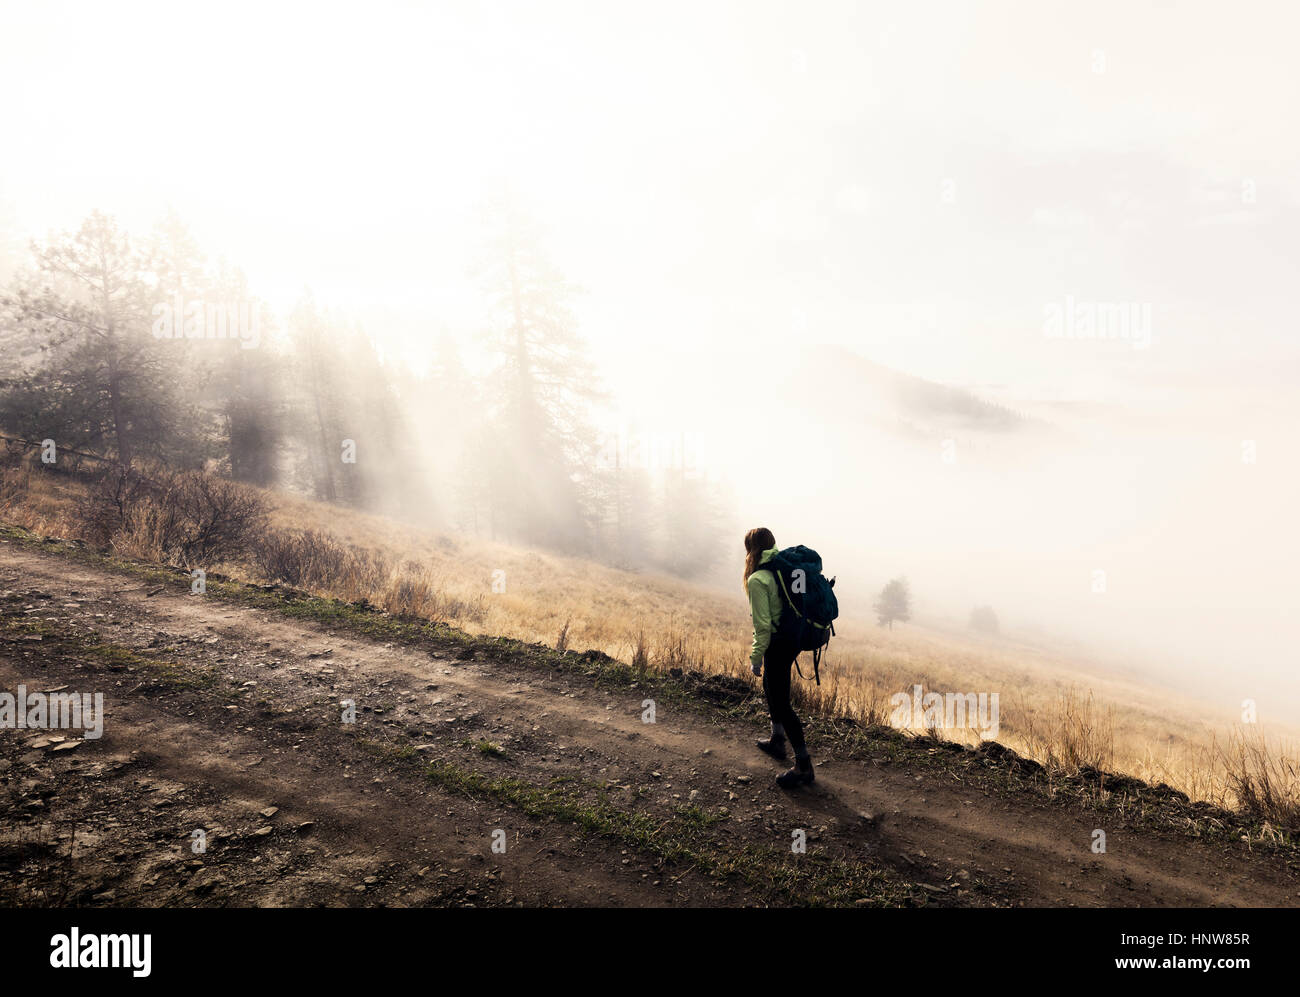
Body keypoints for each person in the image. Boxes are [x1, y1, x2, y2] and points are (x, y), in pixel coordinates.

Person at [744, 527, 814, 787]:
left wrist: (756, 657)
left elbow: (762, 625)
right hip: (791, 638)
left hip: (778, 642)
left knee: (782, 702)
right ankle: (776, 740)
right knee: (771, 690)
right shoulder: (780, 567)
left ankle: (804, 765)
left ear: (750, 549)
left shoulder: (759, 578)